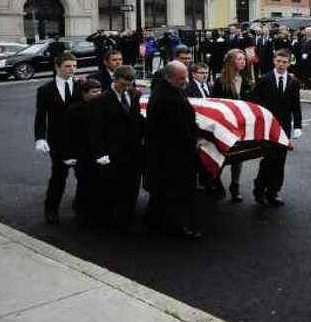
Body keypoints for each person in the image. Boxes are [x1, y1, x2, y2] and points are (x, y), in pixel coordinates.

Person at [145, 62, 203, 239]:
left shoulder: (168, 90)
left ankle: (154, 220)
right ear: (169, 77)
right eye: (181, 78)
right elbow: (176, 128)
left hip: (167, 151)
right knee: (178, 192)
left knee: (162, 192)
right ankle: (177, 226)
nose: (185, 81)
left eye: (186, 76)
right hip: (172, 153)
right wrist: (194, 141)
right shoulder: (166, 97)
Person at [91, 66, 145, 229]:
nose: (126, 88)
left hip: (134, 150)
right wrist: (100, 153)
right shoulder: (100, 100)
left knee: (133, 183)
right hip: (113, 151)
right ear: (114, 80)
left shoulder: (133, 96)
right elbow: (95, 130)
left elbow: (137, 120)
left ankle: (129, 212)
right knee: (115, 186)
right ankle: (115, 218)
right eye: (123, 85)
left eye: (129, 85)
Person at [249, 49, 302, 206]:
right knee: (268, 159)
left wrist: (298, 125)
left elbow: (295, 105)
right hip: (267, 126)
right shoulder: (264, 79)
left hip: (284, 127)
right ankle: (259, 189)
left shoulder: (293, 82)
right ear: (274, 61)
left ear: (289, 63)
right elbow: (254, 101)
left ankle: (273, 191)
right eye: (278, 61)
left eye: (285, 62)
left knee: (280, 161)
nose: (281, 64)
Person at [34, 51, 79, 224]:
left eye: (74, 66)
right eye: (67, 66)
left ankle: (80, 207)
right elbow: (40, 116)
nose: (71, 70)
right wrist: (40, 138)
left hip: (78, 140)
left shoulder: (80, 86)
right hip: (58, 140)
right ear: (57, 67)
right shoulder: (45, 90)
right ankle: (51, 208)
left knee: (83, 175)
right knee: (59, 176)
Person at [212, 48, 253, 202]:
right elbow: (215, 103)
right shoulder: (220, 81)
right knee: (223, 153)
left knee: (239, 156)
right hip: (225, 124)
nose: (243, 62)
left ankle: (235, 185)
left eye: (244, 59)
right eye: (239, 59)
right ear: (231, 61)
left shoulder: (247, 80)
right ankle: (216, 179)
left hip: (242, 124)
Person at [63, 78, 104, 227]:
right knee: (85, 182)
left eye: (99, 91)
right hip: (82, 152)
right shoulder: (75, 110)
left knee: (97, 181)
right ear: (84, 93)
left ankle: (94, 210)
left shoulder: (99, 106)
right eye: (94, 92)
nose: (98, 94)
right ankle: (81, 210)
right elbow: (70, 134)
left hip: (96, 151)